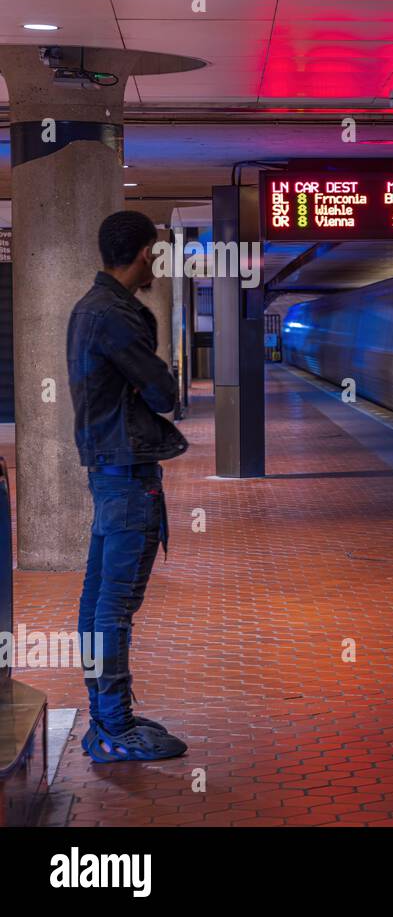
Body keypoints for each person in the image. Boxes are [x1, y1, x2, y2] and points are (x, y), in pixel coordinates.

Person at [66, 210, 189, 762]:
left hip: (109, 473)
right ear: (144, 254)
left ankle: (106, 719)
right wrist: (157, 387)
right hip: (128, 477)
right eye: (155, 253)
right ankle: (114, 727)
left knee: (97, 604)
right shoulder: (114, 315)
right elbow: (163, 391)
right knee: (112, 608)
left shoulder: (88, 308)